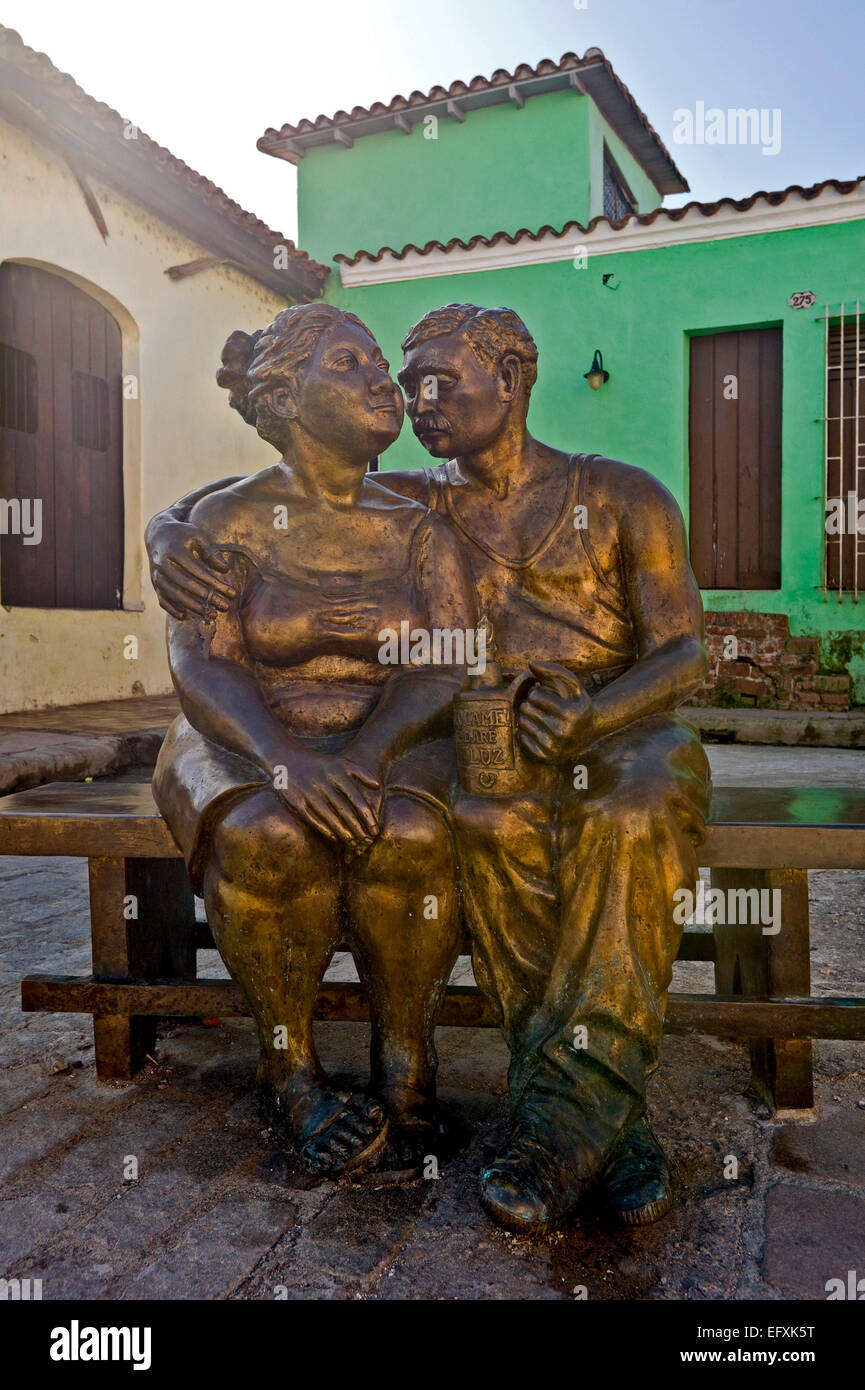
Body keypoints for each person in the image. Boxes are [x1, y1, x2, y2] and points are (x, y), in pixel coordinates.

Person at [146, 303, 710, 1234]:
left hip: (617, 726)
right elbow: (276, 470)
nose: (416, 397)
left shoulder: (618, 494)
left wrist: (594, 712)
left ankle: (579, 1114)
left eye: (442, 378)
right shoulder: (415, 492)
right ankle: (576, 1106)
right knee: (482, 826)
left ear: (514, 378)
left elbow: (685, 650)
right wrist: (167, 531)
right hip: (494, 741)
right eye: (410, 383)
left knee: (624, 818)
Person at [150, 304, 475, 1181]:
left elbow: (444, 662)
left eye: (379, 363)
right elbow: (204, 670)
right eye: (349, 364)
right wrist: (287, 762)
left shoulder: (417, 526)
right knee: (266, 834)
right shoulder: (222, 522)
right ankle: (288, 1070)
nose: (386, 381)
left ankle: (406, 1062)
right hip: (238, 728)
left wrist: (362, 758)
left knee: (408, 834)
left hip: (388, 730)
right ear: (286, 397)